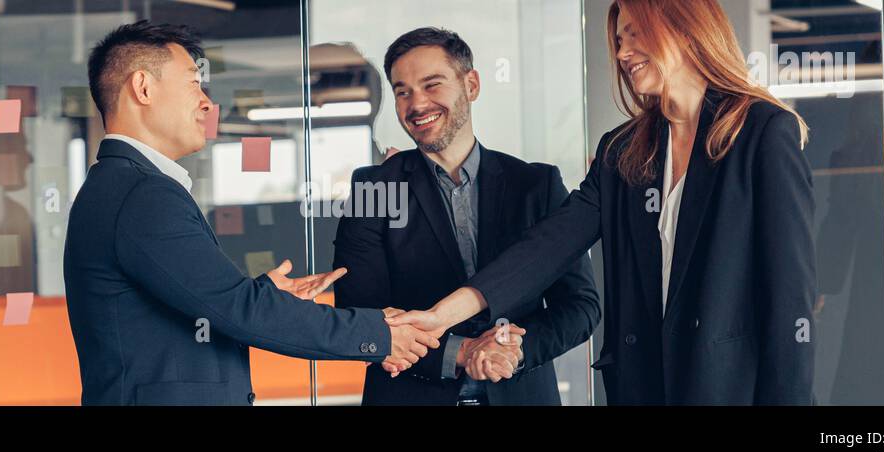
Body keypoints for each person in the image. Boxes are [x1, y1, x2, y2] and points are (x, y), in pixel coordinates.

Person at [388, 0, 817, 405]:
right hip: (643, 388)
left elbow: (789, 301)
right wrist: (443, 315)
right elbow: (548, 247)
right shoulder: (624, 149)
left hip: (729, 389)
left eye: (633, 35)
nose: (623, 52)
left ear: (685, 29)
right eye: (618, 41)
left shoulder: (761, 133)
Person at [63, 21, 439, 406]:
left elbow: (208, 301)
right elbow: (237, 310)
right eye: (194, 83)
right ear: (143, 87)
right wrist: (380, 334)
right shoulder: (143, 194)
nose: (207, 103)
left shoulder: (120, 186)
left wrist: (261, 295)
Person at [333, 28, 600, 406]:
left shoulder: (536, 184)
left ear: (471, 85)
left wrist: (513, 349)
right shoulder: (372, 188)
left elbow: (580, 307)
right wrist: (462, 352)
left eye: (432, 85)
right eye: (403, 91)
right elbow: (360, 312)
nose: (416, 104)